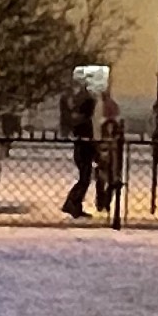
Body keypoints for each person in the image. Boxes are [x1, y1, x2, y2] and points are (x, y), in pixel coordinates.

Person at [60, 82, 98, 218]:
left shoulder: (80, 120)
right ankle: (72, 203)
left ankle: (74, 204)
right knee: (84, 179)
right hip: (84, 151)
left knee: (84, 179)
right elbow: (86, 137)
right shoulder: (84, 122)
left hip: (81, 150)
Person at [94, 88, 124, 217]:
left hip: (110, 156)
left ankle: (103, 202)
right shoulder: (110, 126)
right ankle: (103, 202)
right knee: (106, 180)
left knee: (108, 181)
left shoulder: (107, 126)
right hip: (108, 156)